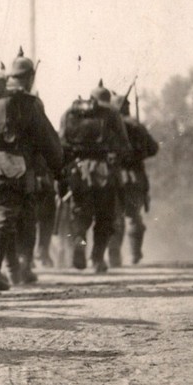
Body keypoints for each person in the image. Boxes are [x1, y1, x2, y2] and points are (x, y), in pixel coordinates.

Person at [0, 50, 63, 291]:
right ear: (29, 77)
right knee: (6, 218)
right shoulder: (25, 102)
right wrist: (58, 169)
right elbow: (48, 140)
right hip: (14, 166)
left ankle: (15, 271)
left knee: (5, 218)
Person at [59, 81, 133, 273]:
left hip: (77, 172)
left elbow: (61, 145)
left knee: (80, 217)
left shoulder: (71, 113)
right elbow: (125, 147)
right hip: (104, 173)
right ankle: (97, 259)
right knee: (105, 217)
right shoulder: (111, 114)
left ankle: (80, 245)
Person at [108, 92, 159, 266]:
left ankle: (114, 255)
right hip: (135, 177)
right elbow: (153, 148)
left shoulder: (109, 125)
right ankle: (134, 255)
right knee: (133, 216)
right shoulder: (136, 125)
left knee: (114, 216)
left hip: (114, 176)